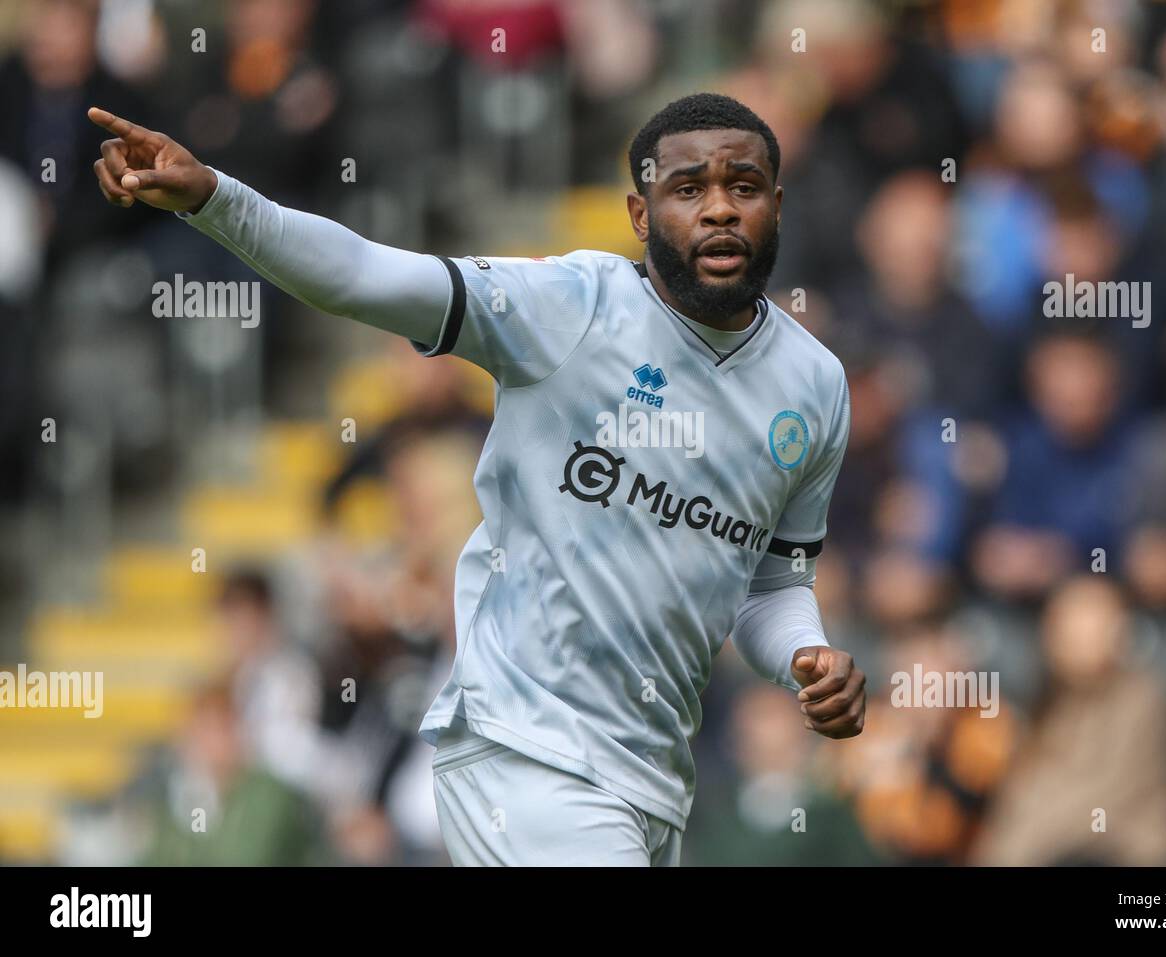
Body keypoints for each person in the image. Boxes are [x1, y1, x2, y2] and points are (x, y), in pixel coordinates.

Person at [87, 91, 866, 866]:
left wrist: (806, 654)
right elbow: (363, 275)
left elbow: (772, 584)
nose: (720, 208)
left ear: (777, 206)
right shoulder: (571, 307)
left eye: (744, 186)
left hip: (654, 781)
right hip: (524, 752)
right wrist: (216, 199)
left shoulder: (815, 386)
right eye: (689, 188)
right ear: (639, 213)